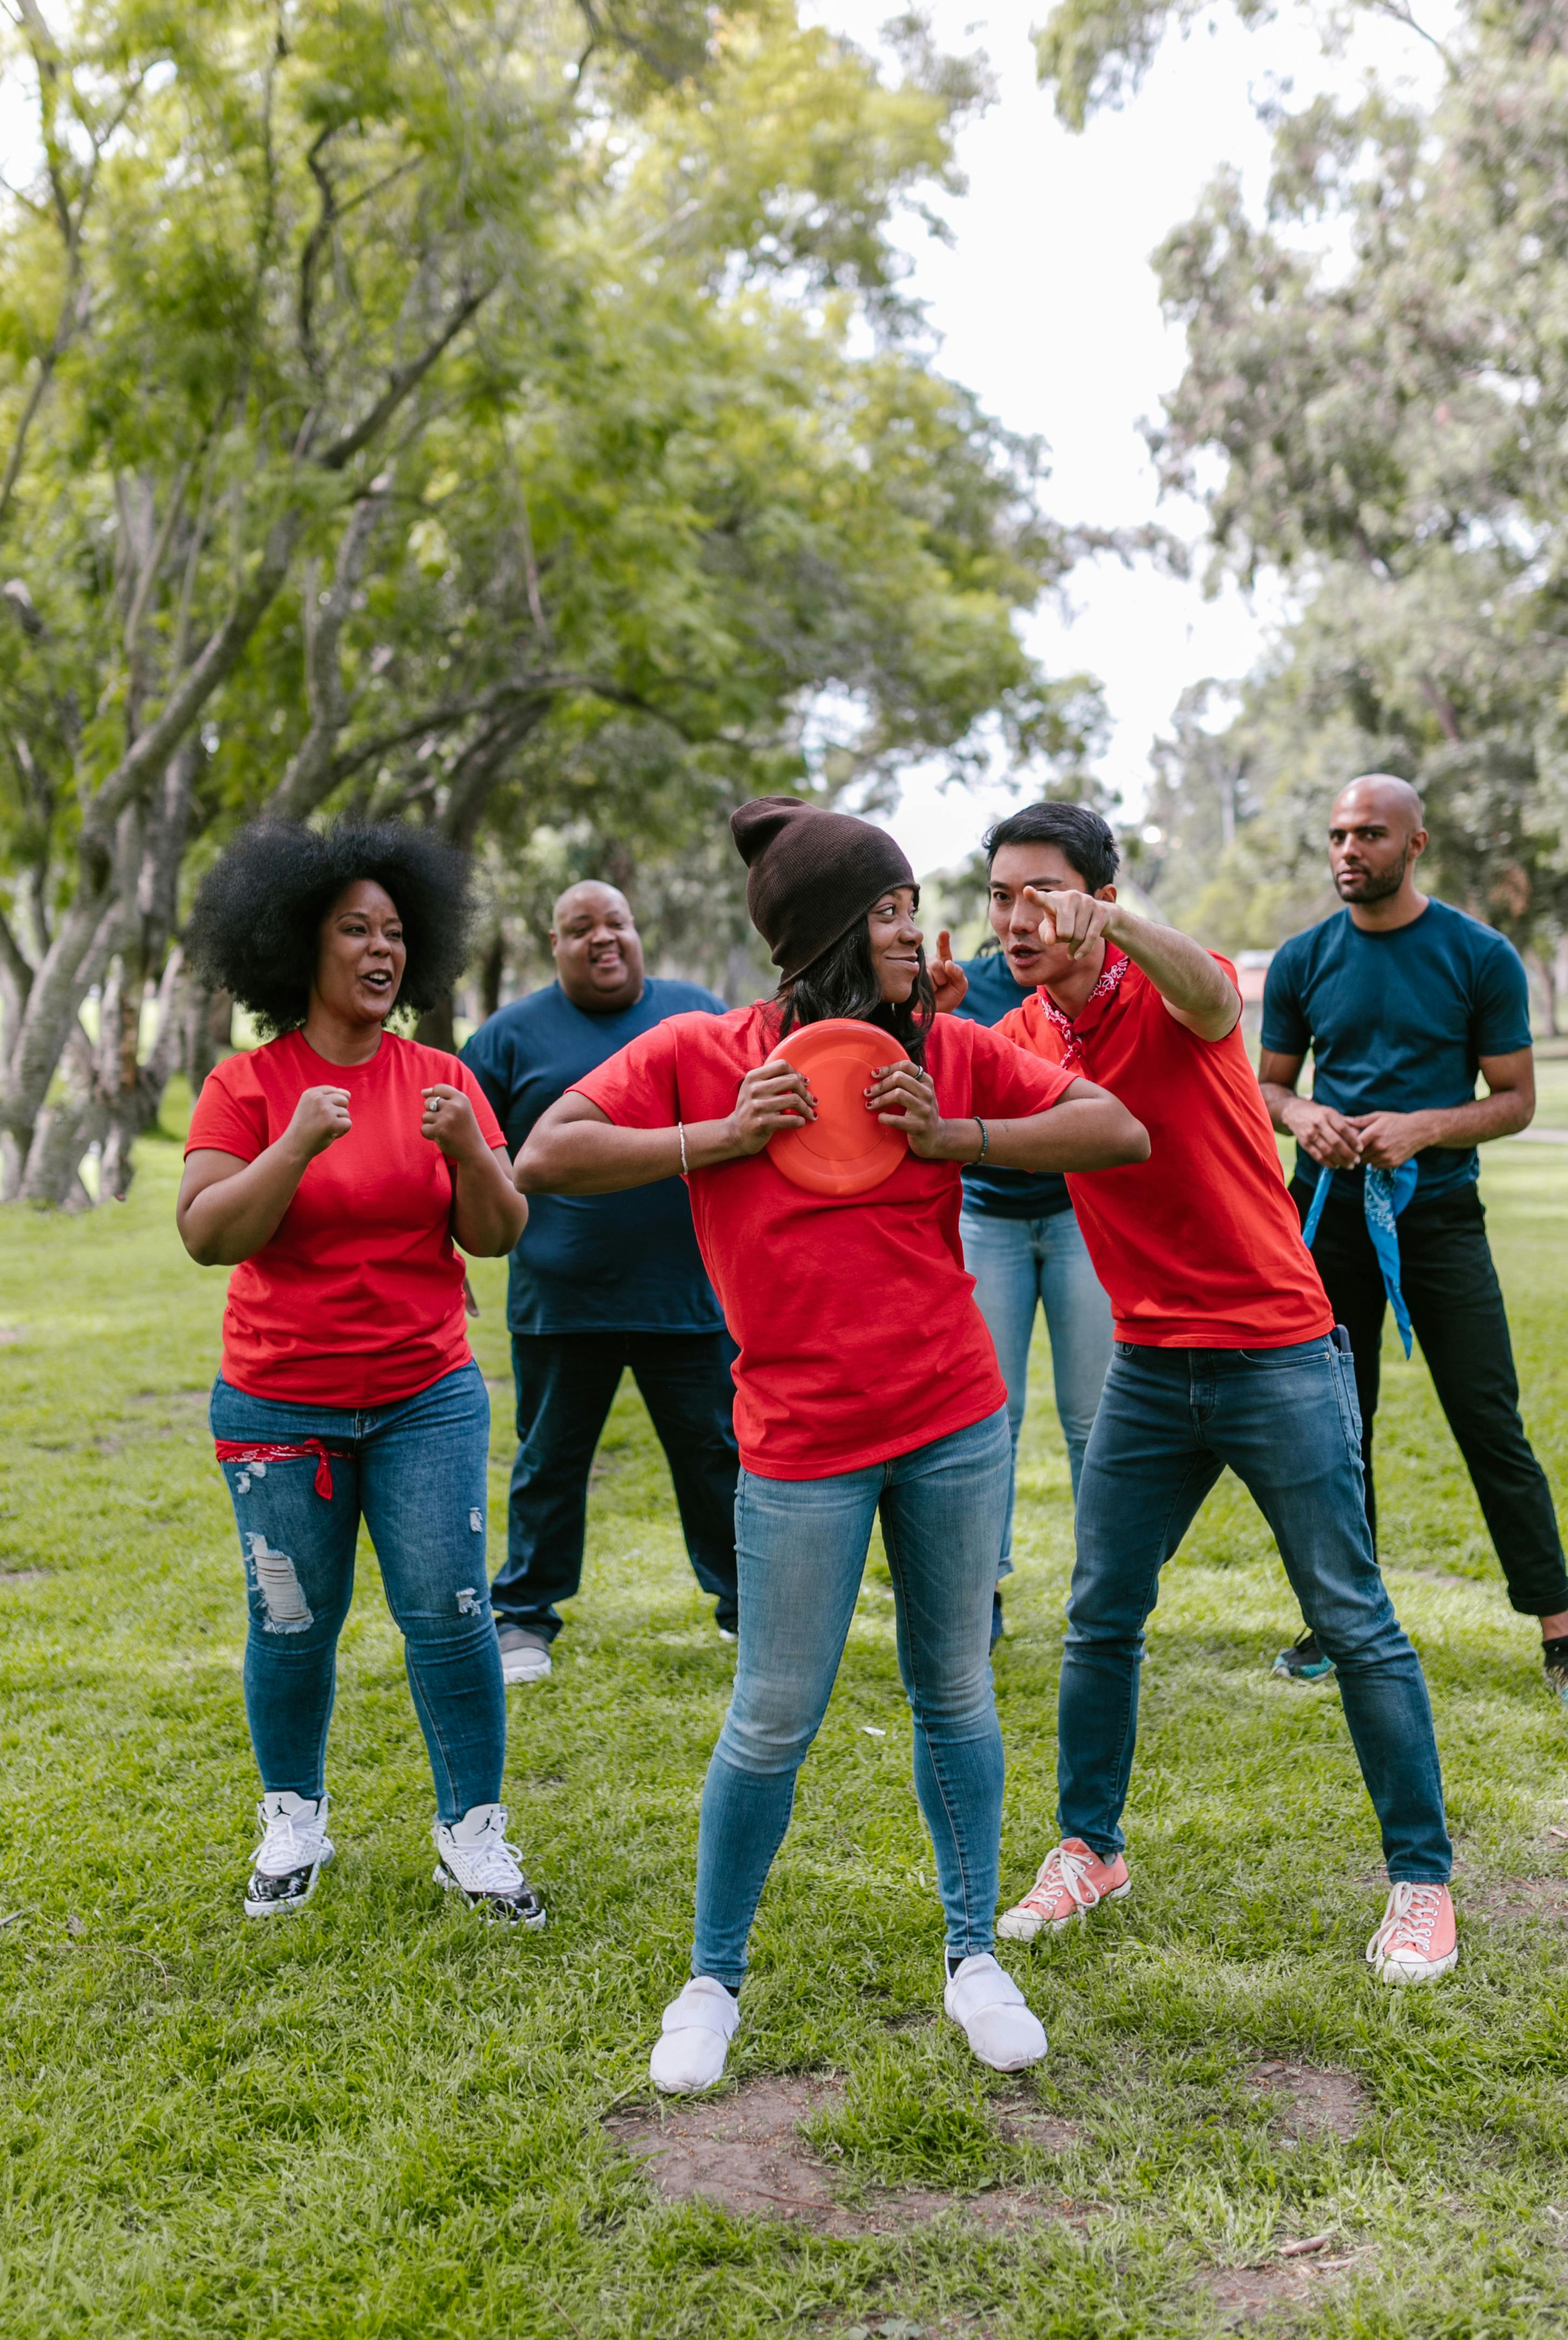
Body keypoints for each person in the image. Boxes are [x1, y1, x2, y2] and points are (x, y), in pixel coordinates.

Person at [514, 796, 1150, 2092]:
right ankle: (712, 1978)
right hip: (800, 1443)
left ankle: (974, 1956)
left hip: (952, 1423)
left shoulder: (946, 1053)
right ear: (825, 932)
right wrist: (721, 1137)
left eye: (913, 907)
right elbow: (548, 1153)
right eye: (891, 911)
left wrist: (956, 1135)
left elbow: (1116, 1129)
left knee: (955, 1693)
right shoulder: (706, 1052)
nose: (917, 932)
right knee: (771, 1715)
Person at [962, 801, 1459, 1987]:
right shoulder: (1025, 1028)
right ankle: (1091, 1848)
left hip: (1274, 1350)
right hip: (1146, 1361)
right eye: (1000, 897)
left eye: (1042, 894)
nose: (1017, 919)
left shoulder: (1174, 991)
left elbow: (1212, 990)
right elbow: (952, 1090)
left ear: (1097, 899)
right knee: (1101, 1613)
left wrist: (1118, 925)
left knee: (1351, 1617)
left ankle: (1422, 1882)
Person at [177, 820, 546, 1927]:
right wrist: (293, 1144)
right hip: (278, 1403)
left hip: (426, 1397)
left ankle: (472, 1831)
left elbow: (498, 1234)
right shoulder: (247, 1085)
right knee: (292, 1620)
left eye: (394, 932)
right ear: (301, 943)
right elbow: (206, 1233)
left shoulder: (443, 1078)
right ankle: (293, 1814)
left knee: (452, 1610)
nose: (381, 950)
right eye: (354, 930)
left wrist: (470, 1149)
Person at [1257, 774, 1568, 1716]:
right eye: (1338, 835)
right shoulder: (1303, 959)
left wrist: (1424, 1127)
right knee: (1338, 1429)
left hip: (1442, 1217)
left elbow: (1516, 1100)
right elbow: (1268, 1087)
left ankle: (1561, 1635)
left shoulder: (1478, 955)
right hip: (1328, 1218)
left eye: (1370, 834)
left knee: (1489, 1421)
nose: (1349, 850)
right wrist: (1302, 1114)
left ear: (1415, 844)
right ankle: (1340, 1621)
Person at [460, 880, 739, 1682]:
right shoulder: (508, 1037)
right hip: (560, 1299)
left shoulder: (696, 1014)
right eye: (580, 928)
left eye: (615, 922)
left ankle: (747, 1607)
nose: (602, 938)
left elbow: (747, 1133)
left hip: (688, 1293)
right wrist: (446, 1244)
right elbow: (460, 1152)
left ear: (636, 929)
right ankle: (525, 1618)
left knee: (718, 1456)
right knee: (548, 1462)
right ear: (555, 945)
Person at [940, 934, 1114, 1644]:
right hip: (987, 1219)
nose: (1023, 922)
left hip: (1078, 1216)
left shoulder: (1094, 989)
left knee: (1092, 1417)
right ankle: (981, 1591)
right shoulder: (961, 989)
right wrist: (925, 1015)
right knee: (991, 1417)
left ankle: (1107, 1592)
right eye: (1004, 896)